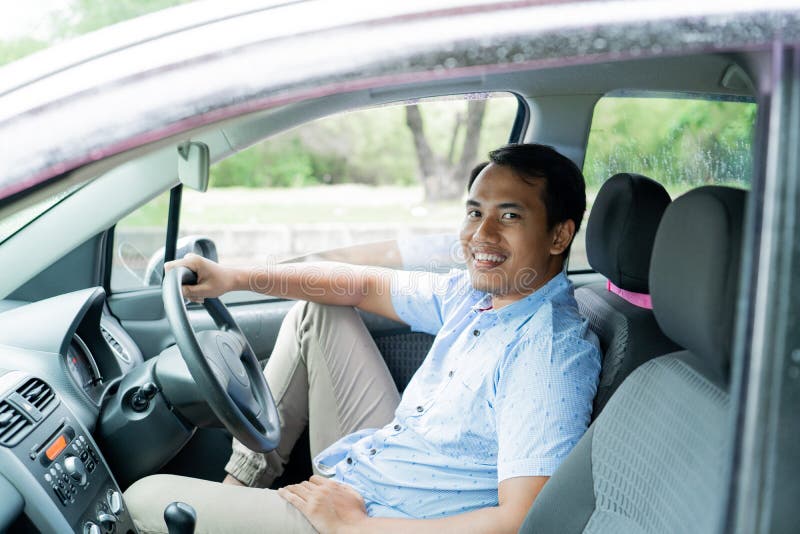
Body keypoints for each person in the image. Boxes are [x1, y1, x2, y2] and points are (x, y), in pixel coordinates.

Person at [124, 144, 601, 534]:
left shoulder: (549, 351)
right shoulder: (476, 296)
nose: (481, 233)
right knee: (320, 311)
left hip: (381, 520)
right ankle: (237, 490)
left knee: (143, 501)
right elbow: (360, 284)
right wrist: (232, 277)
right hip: (376, 466)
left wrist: (353, 526)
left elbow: (526, 521)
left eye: (510, 217)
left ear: (559, 237)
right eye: (475, 212)